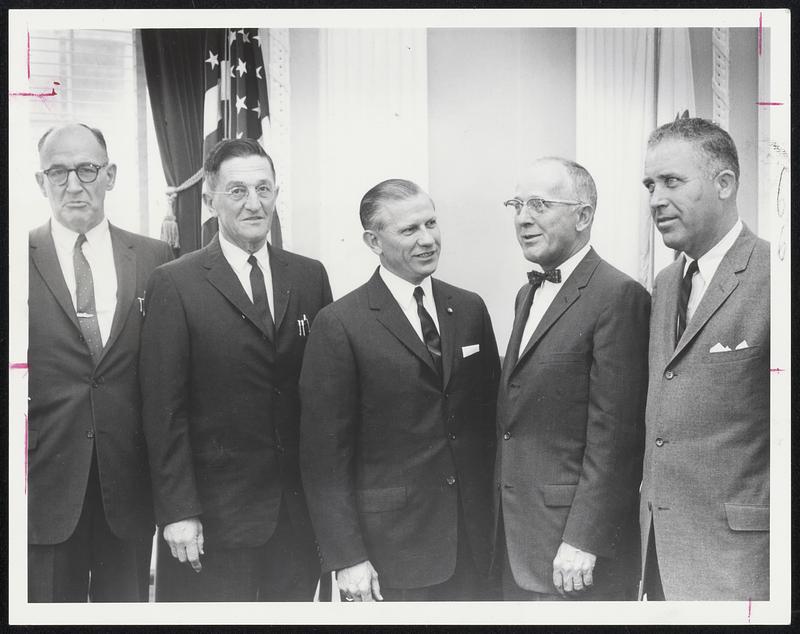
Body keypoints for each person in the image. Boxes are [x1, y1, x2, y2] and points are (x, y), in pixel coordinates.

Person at [139, 138, 333, 601]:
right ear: (209, 200)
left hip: (296, 520)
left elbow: (326, 399)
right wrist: (178, 511)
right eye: (238, 191)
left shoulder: (310, 276)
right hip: (213, 524)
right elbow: (163, 410)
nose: (254, 203)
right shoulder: (175, 282)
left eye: (264, 189)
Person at [299, 179, 500, 601]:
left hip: (475, 543)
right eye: (410, 230)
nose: (428, 239)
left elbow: (490, 421)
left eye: (431, 223)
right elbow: (324, 458)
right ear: (373, 241)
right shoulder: (339, 324)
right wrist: (347, 556)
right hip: (392, 551)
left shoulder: (469, 309)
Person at [28, 123, 173, 602]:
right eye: (58, 172)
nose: (74, 184)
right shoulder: (15, 256)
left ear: (110, 175)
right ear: (40, 182)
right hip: (44, 492)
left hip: (130, 491)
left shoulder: (157, 259)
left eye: (87, 169)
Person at [494, 157, 650, 601]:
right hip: (517, 542)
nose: (523, 218)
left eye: (540, 204)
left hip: (576, 554)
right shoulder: (526, 293)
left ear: (583, 215)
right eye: (517, 204)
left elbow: (616, 437)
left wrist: (584, 538)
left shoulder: (619, 296)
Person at [639, 118, 769, 601]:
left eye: (672, 181)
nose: (655, 199)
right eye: (650, 185)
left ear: (724, 183)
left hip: (740, 563)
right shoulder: (666, 284)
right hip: (657, 558)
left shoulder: (775, 276)